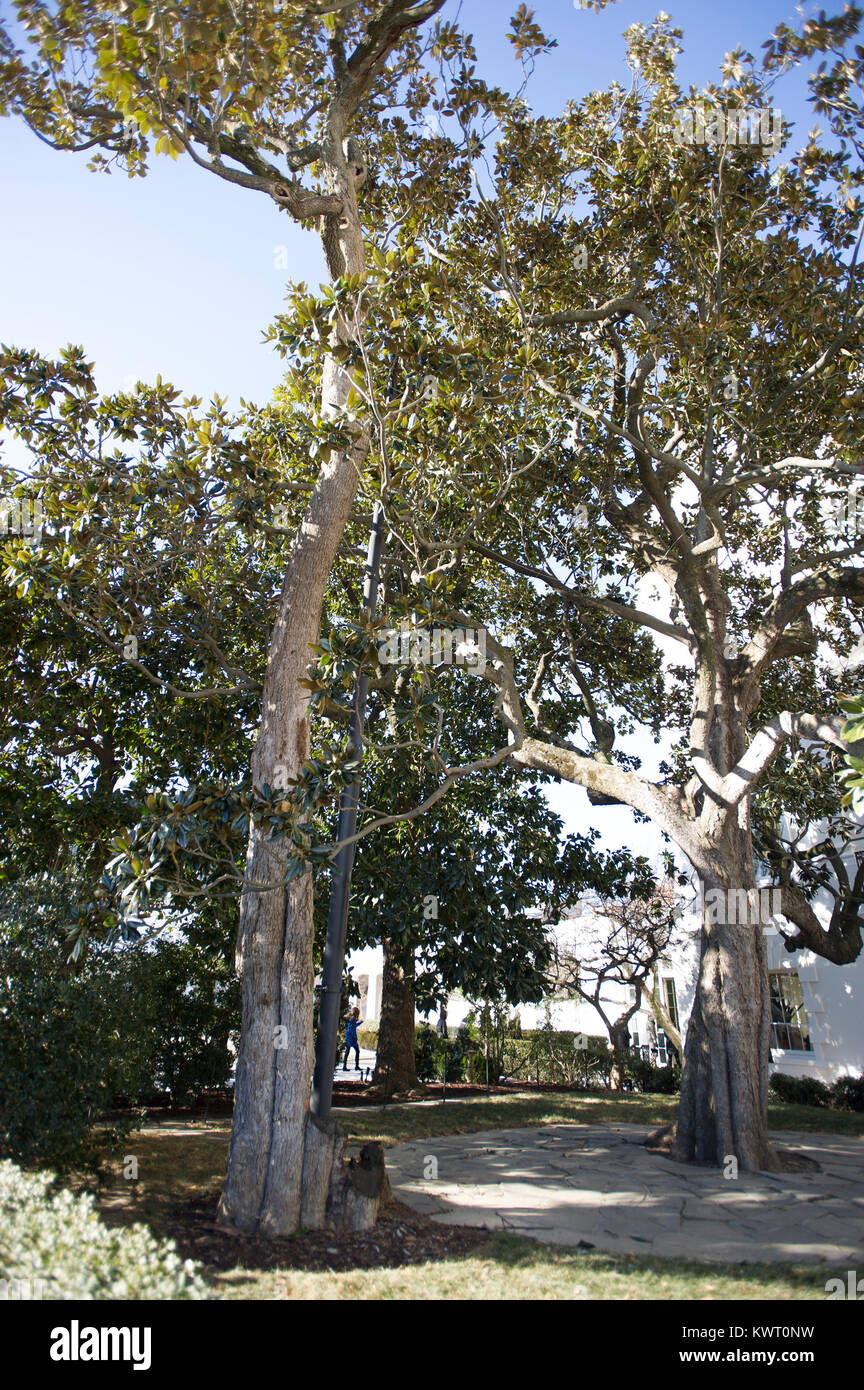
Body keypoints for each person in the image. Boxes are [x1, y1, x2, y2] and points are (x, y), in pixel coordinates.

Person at [342, 1007, 361, 1071]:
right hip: (351, 1038)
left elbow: (353, 1026)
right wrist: (355, 1038)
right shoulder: (353, 1019)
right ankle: (356, 1066)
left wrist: (359, 1023)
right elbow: (352, 1029)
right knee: (355, 1051)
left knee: (348, 1051)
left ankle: (345, 1066)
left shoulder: (352, 1019)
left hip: (349, 1038)